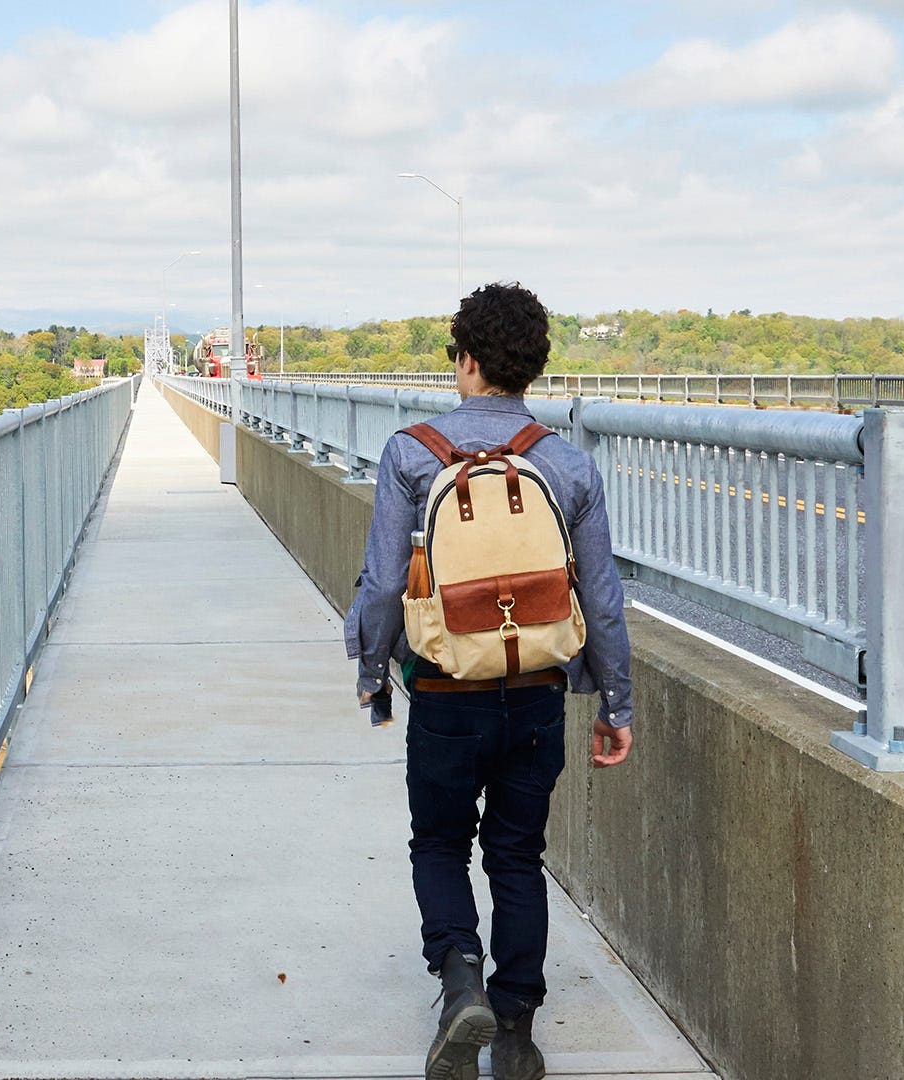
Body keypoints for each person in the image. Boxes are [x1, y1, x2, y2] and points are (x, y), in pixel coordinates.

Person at [345, 283, 633, 1080]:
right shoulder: (567, 462)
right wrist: (615, 703)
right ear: (532, 367)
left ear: (466, 361)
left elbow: (378, 587)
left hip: (442, 692)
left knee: (439, 842)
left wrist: (372, 676)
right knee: (515, 854)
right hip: (536, 693)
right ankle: (514, 1030)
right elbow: (601, 599)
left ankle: (459, 978)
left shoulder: (411, 453)